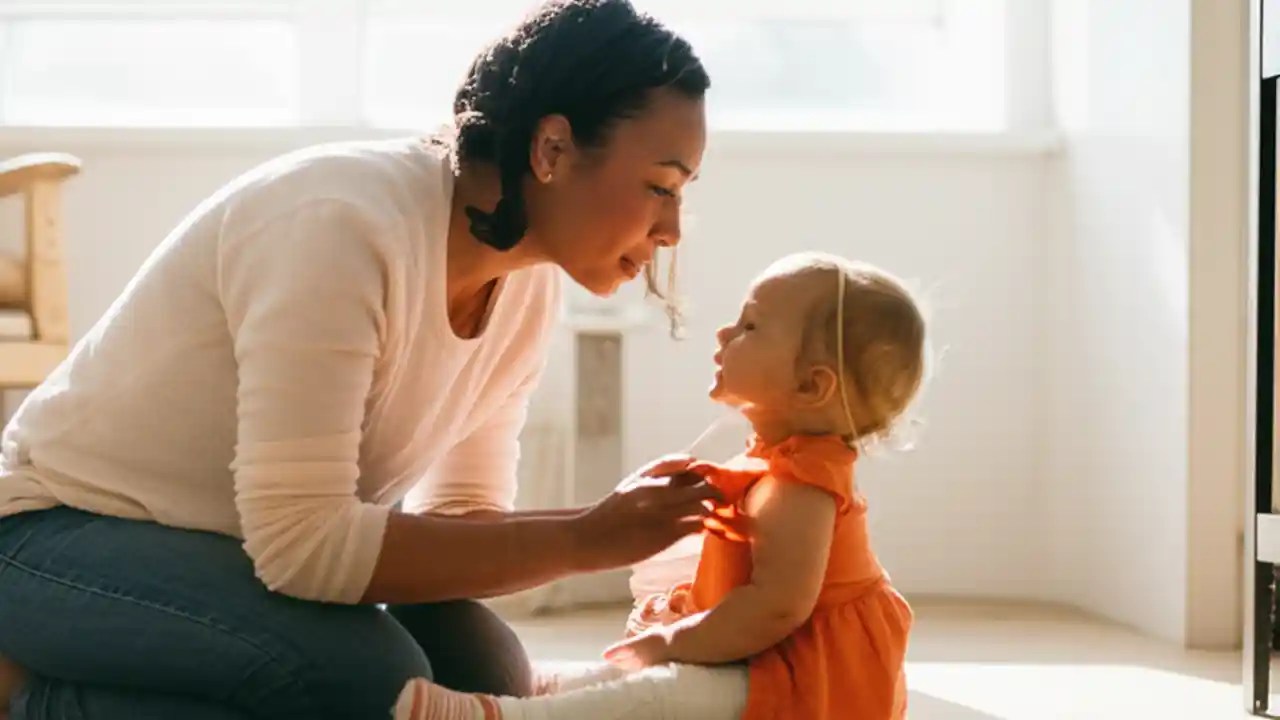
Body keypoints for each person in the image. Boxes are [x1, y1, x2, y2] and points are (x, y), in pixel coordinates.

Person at [0, 2, 716, 718]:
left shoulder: (525, 288)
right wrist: (586, 539)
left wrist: (605, 527)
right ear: (551, 150)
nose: (673, 230)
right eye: (661, 186)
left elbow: (463, 516)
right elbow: (302, 546)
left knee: (487, 670)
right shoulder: (340, 223)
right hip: (52, 538)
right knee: (370, 678)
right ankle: (30, 695)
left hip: (228, 554)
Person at [395, 252, 927, 720]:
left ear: (811, 385)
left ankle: (499, 716)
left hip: (808, 684)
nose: (724, 334)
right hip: (770, 657)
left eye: (750, 326)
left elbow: (776, 608)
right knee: (647, 678)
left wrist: (675, 641)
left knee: (666, 696)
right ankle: (550, 693)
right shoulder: (777, 462)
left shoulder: (803, 486)